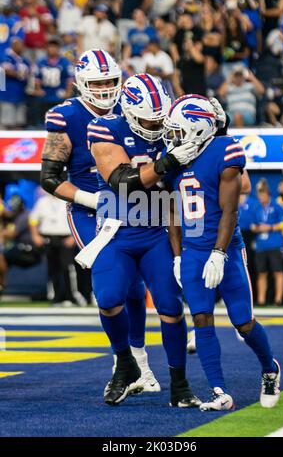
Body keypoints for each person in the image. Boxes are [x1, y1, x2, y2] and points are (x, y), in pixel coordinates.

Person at [40, 49, 159, 393]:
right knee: (113, 289)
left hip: (133, 204)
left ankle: (141, 363)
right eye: (98, 82)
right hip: (90, 207)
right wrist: (90, 198)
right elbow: (50, 177)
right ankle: (124, 360)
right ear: (81, 84)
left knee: (137, 287)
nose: (106, 89)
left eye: (110, 81)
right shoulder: (64, 115)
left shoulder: (132, 107)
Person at [87, 73, 201, 406]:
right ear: (130, 111)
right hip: (117, 229)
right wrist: (167, 161)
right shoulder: (104, 127)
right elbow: (122, 180)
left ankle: (179, 385)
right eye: (148, 119)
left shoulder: (172, 128)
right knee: (108, 298)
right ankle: (125, 364)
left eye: (158, 118)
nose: (155, 126)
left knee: (169, 305)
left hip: (157, 231)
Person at [162, 94, 281, 411]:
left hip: (225, 248)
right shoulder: (174, 157)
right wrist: (177, 256)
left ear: (198, 128)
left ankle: (270, 369)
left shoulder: (224, 149)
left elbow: (229, 211)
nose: (173, 136)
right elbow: (172, 212)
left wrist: (218, 252)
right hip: (192, 251)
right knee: (201, 320)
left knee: (243, 323)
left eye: (179, 129)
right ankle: (219, 391)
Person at [29, 191, 80, 306]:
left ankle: (71, 296)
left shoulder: (68, 200)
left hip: (66, 237)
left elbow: (77, 219)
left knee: (68, 267)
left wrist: (73, 237)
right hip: (49, 237)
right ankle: (56, 296)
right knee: (52, 268)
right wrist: (35, 235)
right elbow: (33, 219)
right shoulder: (42, 202)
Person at [250, 178, 283, 306]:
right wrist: (258, 228)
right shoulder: (257, 208)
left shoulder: (277, 206)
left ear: (267, 194)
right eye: (259, 195)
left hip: (275, 244)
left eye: (262, 194)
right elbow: (252, 226)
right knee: (261, 273)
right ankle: (261, 299)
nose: (260, 197)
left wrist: (269, 227)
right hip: (261, 246)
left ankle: (278, 299)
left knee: (277, 271)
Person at [34, 38, 74, 124]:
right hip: (45, 94)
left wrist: (68, 92)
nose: (52, 49)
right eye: (50, 47)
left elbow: (70, 78)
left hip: (59, 94)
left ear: (58, 48)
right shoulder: (41, 61)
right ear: (47, 48)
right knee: (43, 118)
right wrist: (38, 89)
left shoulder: (65, 62)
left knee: (60, 119)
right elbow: (37, 78)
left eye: (55, 47)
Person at [0, 37, 31, 129]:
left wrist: (21, 75)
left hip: (20, 95)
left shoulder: (24, 60)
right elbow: (6, 71)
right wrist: (20, 75)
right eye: (19, 44)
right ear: (13, 45)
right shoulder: (5, 56)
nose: (21, 47)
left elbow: (29, 73)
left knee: (20, 123)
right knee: (7, 123)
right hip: (7, 95)